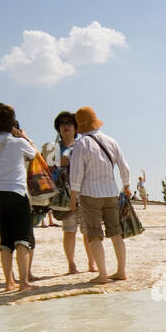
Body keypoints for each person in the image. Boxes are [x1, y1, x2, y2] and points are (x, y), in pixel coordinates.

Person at [68, 107, 131, 285]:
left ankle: (102, 274)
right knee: (115, 232)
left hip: (90, 193)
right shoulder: (111, 140)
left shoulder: (81, 144)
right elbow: (124, 166)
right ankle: (121, 271)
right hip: (111, 192)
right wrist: (126, 185)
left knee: (95, 234)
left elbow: (77, 172)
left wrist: (73, 194)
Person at [0, 104, 38, 293]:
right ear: (13, 122)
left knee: (5, 239)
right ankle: (23, 282)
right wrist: (22, 135)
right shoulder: (18, 142)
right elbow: (34, 154)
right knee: (22, 238)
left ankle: (8, 282)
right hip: (16, 192)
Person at [52, 111, 97, 274]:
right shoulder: (54, 148)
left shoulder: (83, 144)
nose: (66, 126)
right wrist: (59, 163)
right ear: (58, 128)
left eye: (69, 123)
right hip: (65, 195)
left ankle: (92, 263)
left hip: (84, 192)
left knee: (87, 230)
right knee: (69, 230)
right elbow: (48, 171)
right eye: (62, 124)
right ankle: (71, 264)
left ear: (76, 127)